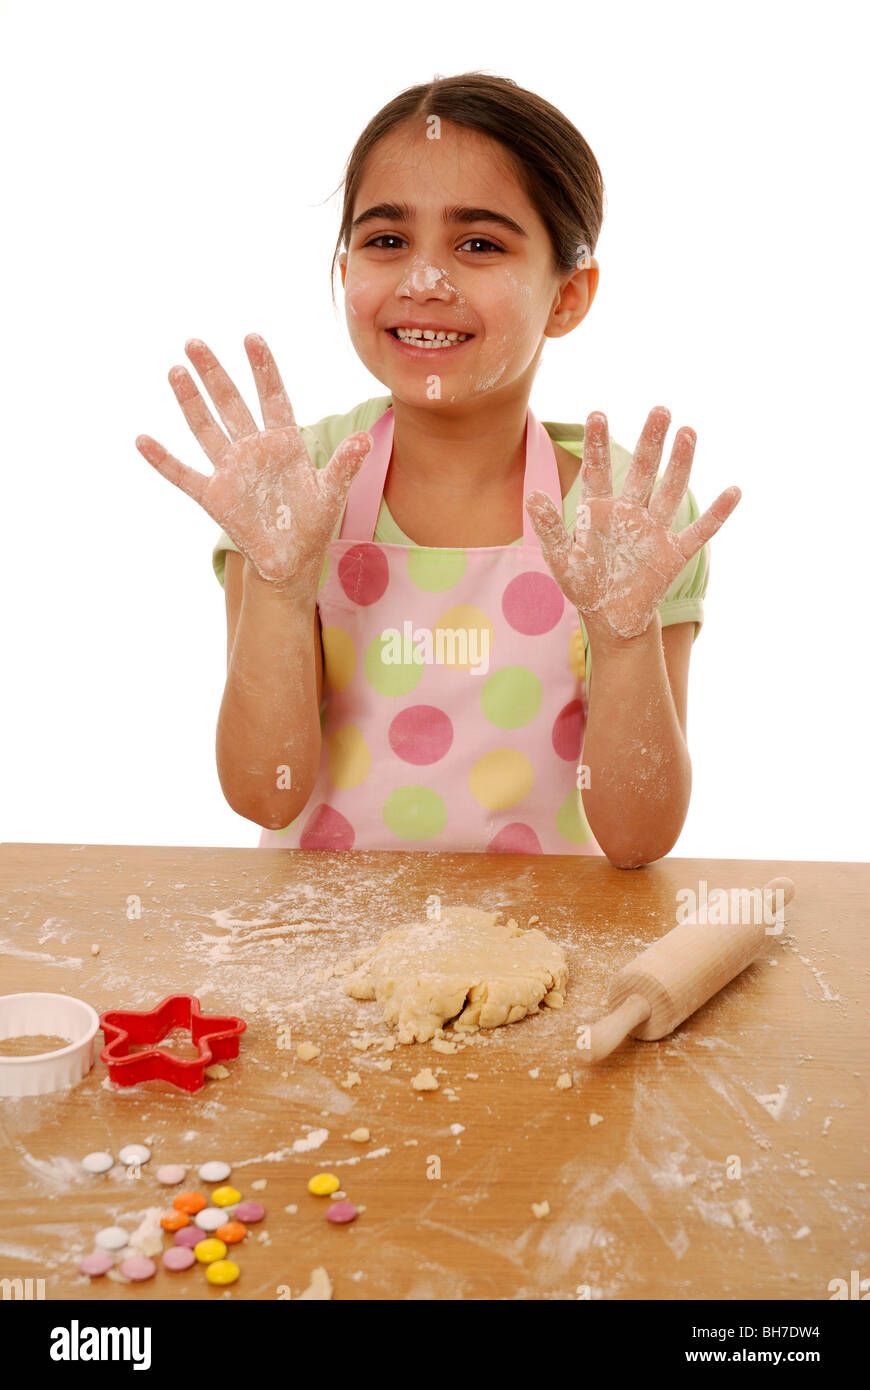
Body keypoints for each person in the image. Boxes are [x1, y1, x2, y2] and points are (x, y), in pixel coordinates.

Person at [135, 73, 739, 865]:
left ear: (568, 294)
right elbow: (264, 792)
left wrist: (624, 639)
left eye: (479, 243)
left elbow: (637, 838)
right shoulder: (289, 486)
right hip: (320, 958)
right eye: (387, 241)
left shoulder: (624, 516)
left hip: (546, 961)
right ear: (342, 271)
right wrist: (280, 590)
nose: (424, 280)